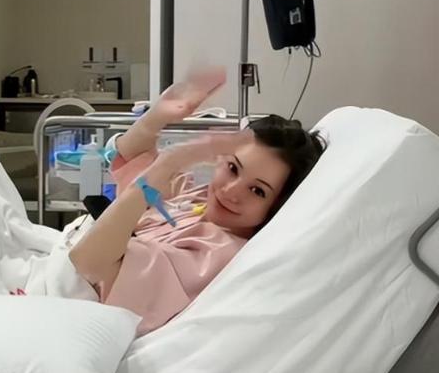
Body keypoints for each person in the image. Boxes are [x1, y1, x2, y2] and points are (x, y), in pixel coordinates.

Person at [69, 68, 326, 335]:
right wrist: (156, 117)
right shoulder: (200, 201)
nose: (231, 190)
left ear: (278, 206)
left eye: (257, 191)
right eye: (233, 168)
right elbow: (133, 159)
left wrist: (170, 162)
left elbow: (89, 263)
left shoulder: (214, 256)